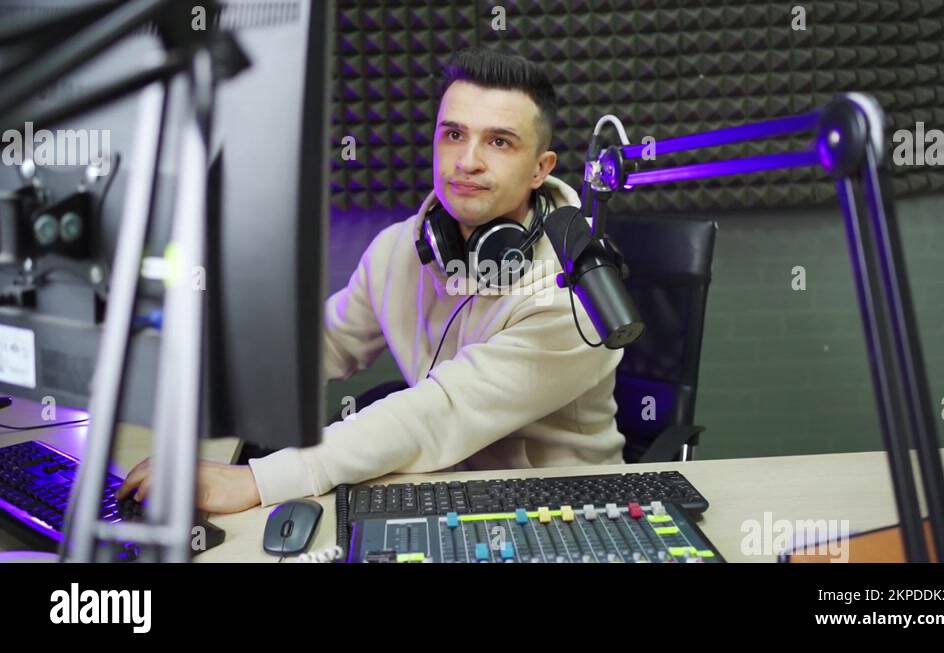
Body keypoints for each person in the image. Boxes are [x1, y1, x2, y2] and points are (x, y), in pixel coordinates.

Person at [118, 47, 625, 514]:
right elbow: (325, 343)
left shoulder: (574, 294)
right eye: (453, 134)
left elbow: (439, 410)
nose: (467, 160)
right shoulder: (400, 248)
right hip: (440, 487)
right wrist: (191, 380)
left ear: (541, 169)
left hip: (562, 509)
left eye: (499, 141)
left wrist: (256, 480)